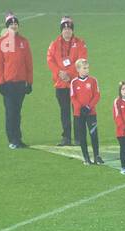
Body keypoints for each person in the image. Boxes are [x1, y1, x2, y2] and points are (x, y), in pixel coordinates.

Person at [0, 14, 32, 150]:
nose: (14, 26)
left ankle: (18, 138)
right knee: (10, 112)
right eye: (11, 24)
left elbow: (28, 64)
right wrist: (1, 83)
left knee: (17, 112)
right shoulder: (2, 42)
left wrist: (29, 82)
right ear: (7, 27)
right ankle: (12, 139)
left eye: (15, 24)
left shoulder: (24, 42)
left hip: (20, 83)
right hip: (8, 84)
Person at [46, 16, 86, 147]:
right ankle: (66, 138)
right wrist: (59, 72)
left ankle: (79, 138)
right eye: (64, 28)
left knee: (77, 111)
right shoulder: (54, 44)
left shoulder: (80, 43)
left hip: (75, 83)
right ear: (61, 30)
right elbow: (50, 60)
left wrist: (69, 74)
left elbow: (82, 60)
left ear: (72, 30)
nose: (67, 31)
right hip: (61, 83)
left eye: (69, 28)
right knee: (64, 112)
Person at [69, 59, 102, 165]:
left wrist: (88, 107)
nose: (87, 70)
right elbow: (73, 97)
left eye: (87, 68)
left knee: (94, 134)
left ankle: (97, 156)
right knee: (82, 136)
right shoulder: (74, 82)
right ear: (78, 69)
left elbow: (97, 95)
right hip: (79, 114)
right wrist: (80, 108)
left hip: (91, 113)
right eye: (84, 68)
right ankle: (86, 158)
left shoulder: (93, 81)